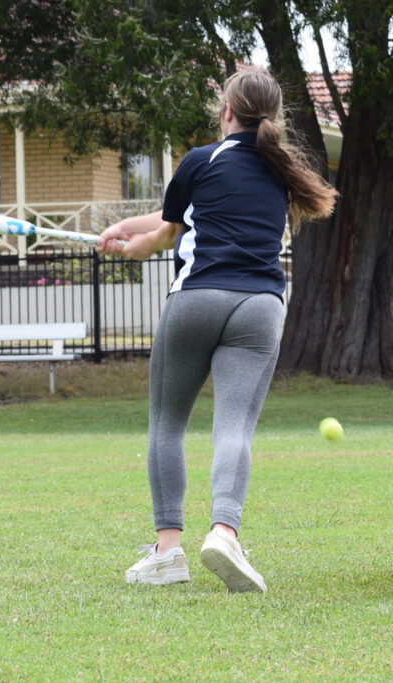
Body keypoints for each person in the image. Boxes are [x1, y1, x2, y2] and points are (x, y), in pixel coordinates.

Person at [98, 68, 337, 592]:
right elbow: (175, 223)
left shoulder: (200, 160)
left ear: (226, 112)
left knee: (167, 425)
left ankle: (167, 553)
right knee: (234, 428)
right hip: (259, 306)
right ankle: (224, 533)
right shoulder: (282, 169)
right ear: (270, 118)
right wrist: (125, 228)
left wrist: (129, 243)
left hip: (197, 299)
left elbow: (166, 234)